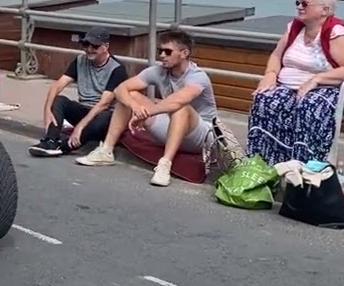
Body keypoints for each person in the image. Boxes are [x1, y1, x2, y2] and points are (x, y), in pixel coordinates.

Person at [76, 28, 218, 188]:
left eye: (168, 51)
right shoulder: (158, 71)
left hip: (201, 136)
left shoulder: (197, 76)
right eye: (160, 51)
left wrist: (144, 113)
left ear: (184, 53)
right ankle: (106, 151)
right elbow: (120, 89)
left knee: (181, 108)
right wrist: (134, 106)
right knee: (130, 96)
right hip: (170, 127)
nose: (162, 55)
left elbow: (177, 101)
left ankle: (164, 165)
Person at [246, 0, 344, 165]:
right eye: (298, 2)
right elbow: (277, 55)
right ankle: (265, 162)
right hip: (289, 85)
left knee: (309, 106)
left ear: (324, 10)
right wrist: (270, 74)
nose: (299, 7)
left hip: (327, 89)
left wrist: (317, 78)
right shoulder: (295, 28)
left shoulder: (336, 33)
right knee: (265, 100)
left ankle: (307, 165)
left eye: (305, 4)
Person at [28, 26, 128, 158]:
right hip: (84, 110)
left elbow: (103, 104)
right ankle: (50, 141)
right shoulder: (80, 61)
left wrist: (80, 126)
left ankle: (64, 147)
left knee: (104, 117)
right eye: (86, 45)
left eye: (95, 46)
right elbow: (57, 85)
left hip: (101, 115)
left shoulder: (117, 69)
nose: (89, 49)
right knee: (59, 100)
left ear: (106, 47)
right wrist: (47, 111)